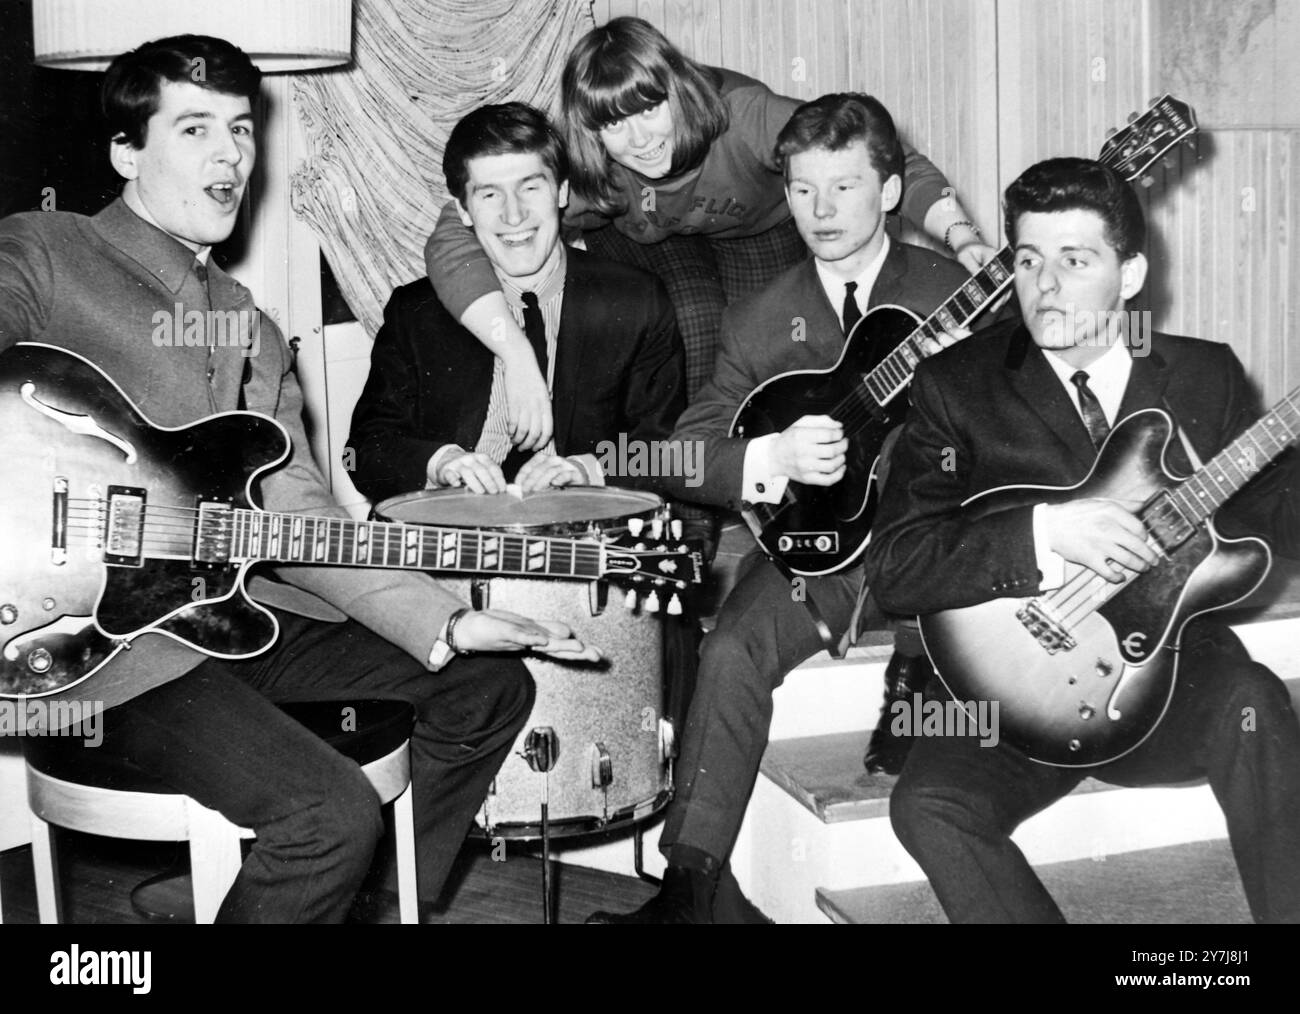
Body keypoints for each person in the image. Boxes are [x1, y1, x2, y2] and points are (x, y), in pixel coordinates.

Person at [0, 34, 599, 923]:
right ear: (127, 150)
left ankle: (366, 909)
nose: (231, 156)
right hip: (99, 660)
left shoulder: (250, 327)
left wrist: (447, 616)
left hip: (231, 624)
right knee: (327, 817)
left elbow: (300, 515)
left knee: (489, 686)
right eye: (195, 129)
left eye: (240, 130)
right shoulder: (49, 252)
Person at [864, 156, 1300, 923]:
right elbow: (896, 569)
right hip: (1003, 695)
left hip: (1163, 679)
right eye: (1029, 260)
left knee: (1257, 706)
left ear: (1130, 274)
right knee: (928, 804)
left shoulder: (1203, 375)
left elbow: (1277, 513)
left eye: (1076, 260)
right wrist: (1044, 531)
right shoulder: (955, 385)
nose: (1046, 285)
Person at [586, 93, 970, 923]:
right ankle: (687, 887)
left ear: (892, 192)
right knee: (728, 652)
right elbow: (687, 449)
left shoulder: (952, 292)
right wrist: (771, 458)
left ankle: (923, 676)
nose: (822, 212)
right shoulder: (761, 315)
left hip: (936, 548)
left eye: (845, 186)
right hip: (823, 547)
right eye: (802, 190)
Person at [425, 16, 994, 445]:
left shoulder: (745, 115)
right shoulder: (587, 164)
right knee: (694, 321)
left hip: (757, 227)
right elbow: (455, 233)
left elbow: (886, 156)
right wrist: (516, 353)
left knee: (775, 347)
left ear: (679, 91)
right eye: (613, 124)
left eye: (649, 109)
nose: (640, 139)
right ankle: (691, 511)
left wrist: (962, 236)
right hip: (645, 236)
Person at [347, 102, 685, 502]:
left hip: (579, 540)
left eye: (530, 186)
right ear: (463, 210)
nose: (514, 215)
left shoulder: (634, 300)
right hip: (451, 540)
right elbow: (359, 453)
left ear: (561, 191)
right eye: (490, 194)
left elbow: (675, 455)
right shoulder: (415, 310)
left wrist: (587, 469)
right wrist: (439, 462)